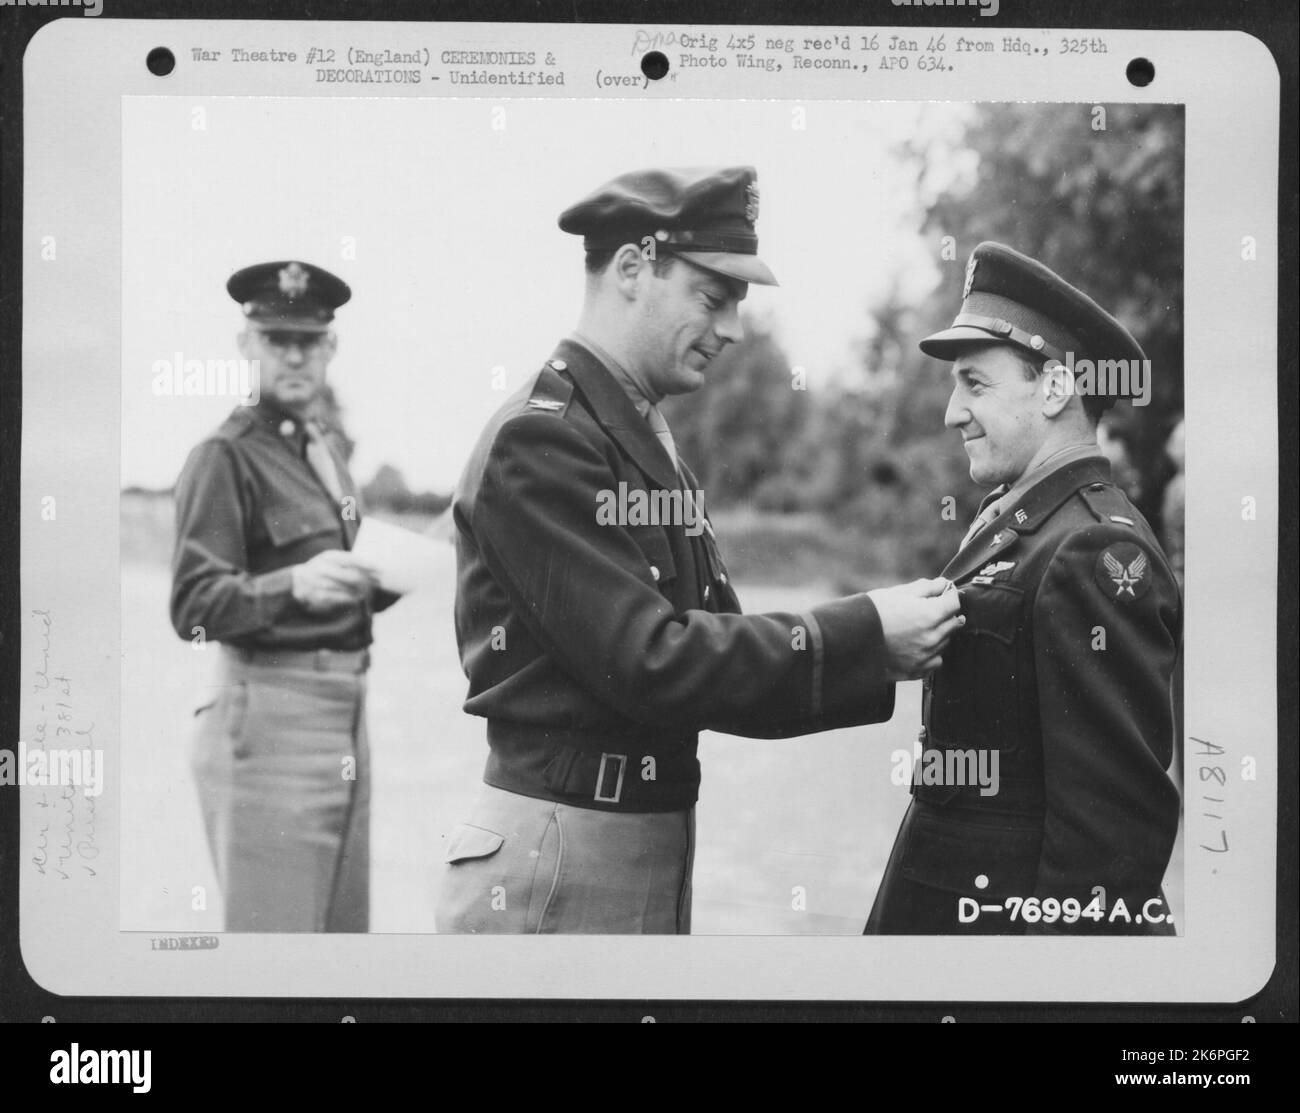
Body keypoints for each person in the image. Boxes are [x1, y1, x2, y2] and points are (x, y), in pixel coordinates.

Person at [437, 166, 963, 934]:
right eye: (713, 298)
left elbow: (719, 662)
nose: (733, 330)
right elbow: (652, 660)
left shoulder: (641, 435)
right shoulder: (544, 438)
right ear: (631, 269)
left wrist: (878, 650)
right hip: (561, 852)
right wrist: (868, 633)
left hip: (628, 841)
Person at [865, 242, 1182, 936]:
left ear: (1056, 387)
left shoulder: (1094, 546)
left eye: (974, 384)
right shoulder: (1022, 517)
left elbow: (1106, 847)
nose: (953, 412)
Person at [170, 260, 399, 932]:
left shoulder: (323, 451)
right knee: (275, 962)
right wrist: (293, 582)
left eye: (310, 340)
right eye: (278, 339)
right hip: (270, 725)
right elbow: (193, 607)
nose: (295, 355)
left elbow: (340, 586)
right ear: (247, 345)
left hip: (344, 717)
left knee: (339, 956)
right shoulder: (224, 455)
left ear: (331, 346)